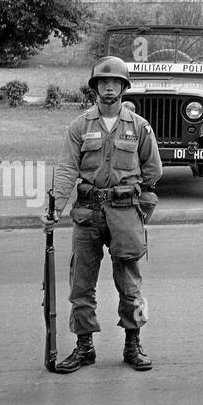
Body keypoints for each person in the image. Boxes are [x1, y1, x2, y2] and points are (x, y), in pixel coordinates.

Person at [44, 56, 162, 373]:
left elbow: (153, 170)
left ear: (124, 88)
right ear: (95, 87)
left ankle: (133, 344)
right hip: (87, 212)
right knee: (81, 284)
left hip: (125, 212)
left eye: (115, 83)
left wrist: (140, 202)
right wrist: (54, 210)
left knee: (129, 283)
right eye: (103, 82)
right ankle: (84, 348)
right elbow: (68, 168)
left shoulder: (139, 127)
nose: (109, 88)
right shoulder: (79, 126)